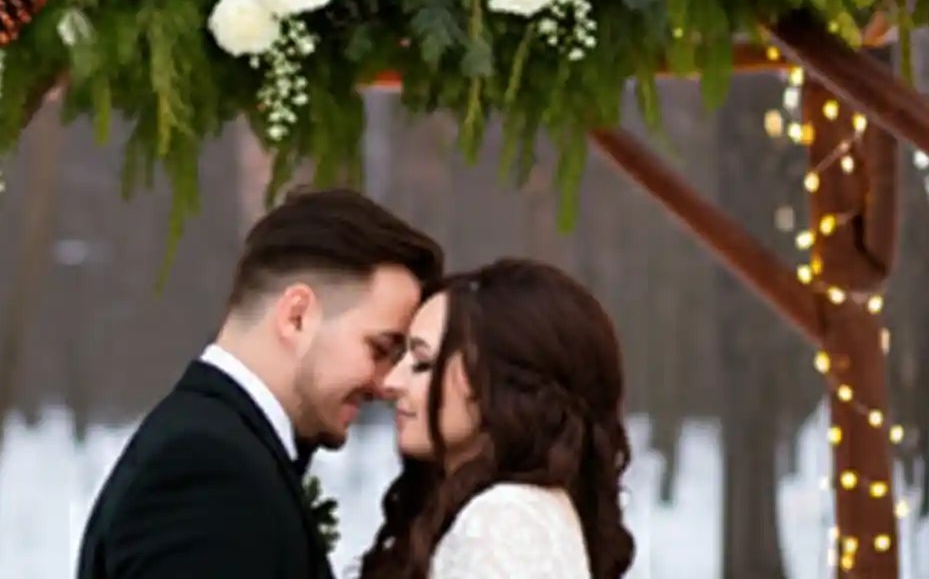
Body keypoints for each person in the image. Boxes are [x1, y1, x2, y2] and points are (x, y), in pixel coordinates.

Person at [76, 187, 444, 579]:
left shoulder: (224, 448)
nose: (385, 384)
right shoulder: (207, 470)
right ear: (297, 316)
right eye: (380, 348)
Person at [358, 258, 635, 579]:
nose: (391, 382)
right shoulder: (517, 512)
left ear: (494, 382)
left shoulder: (507, 522)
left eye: (422, 362)